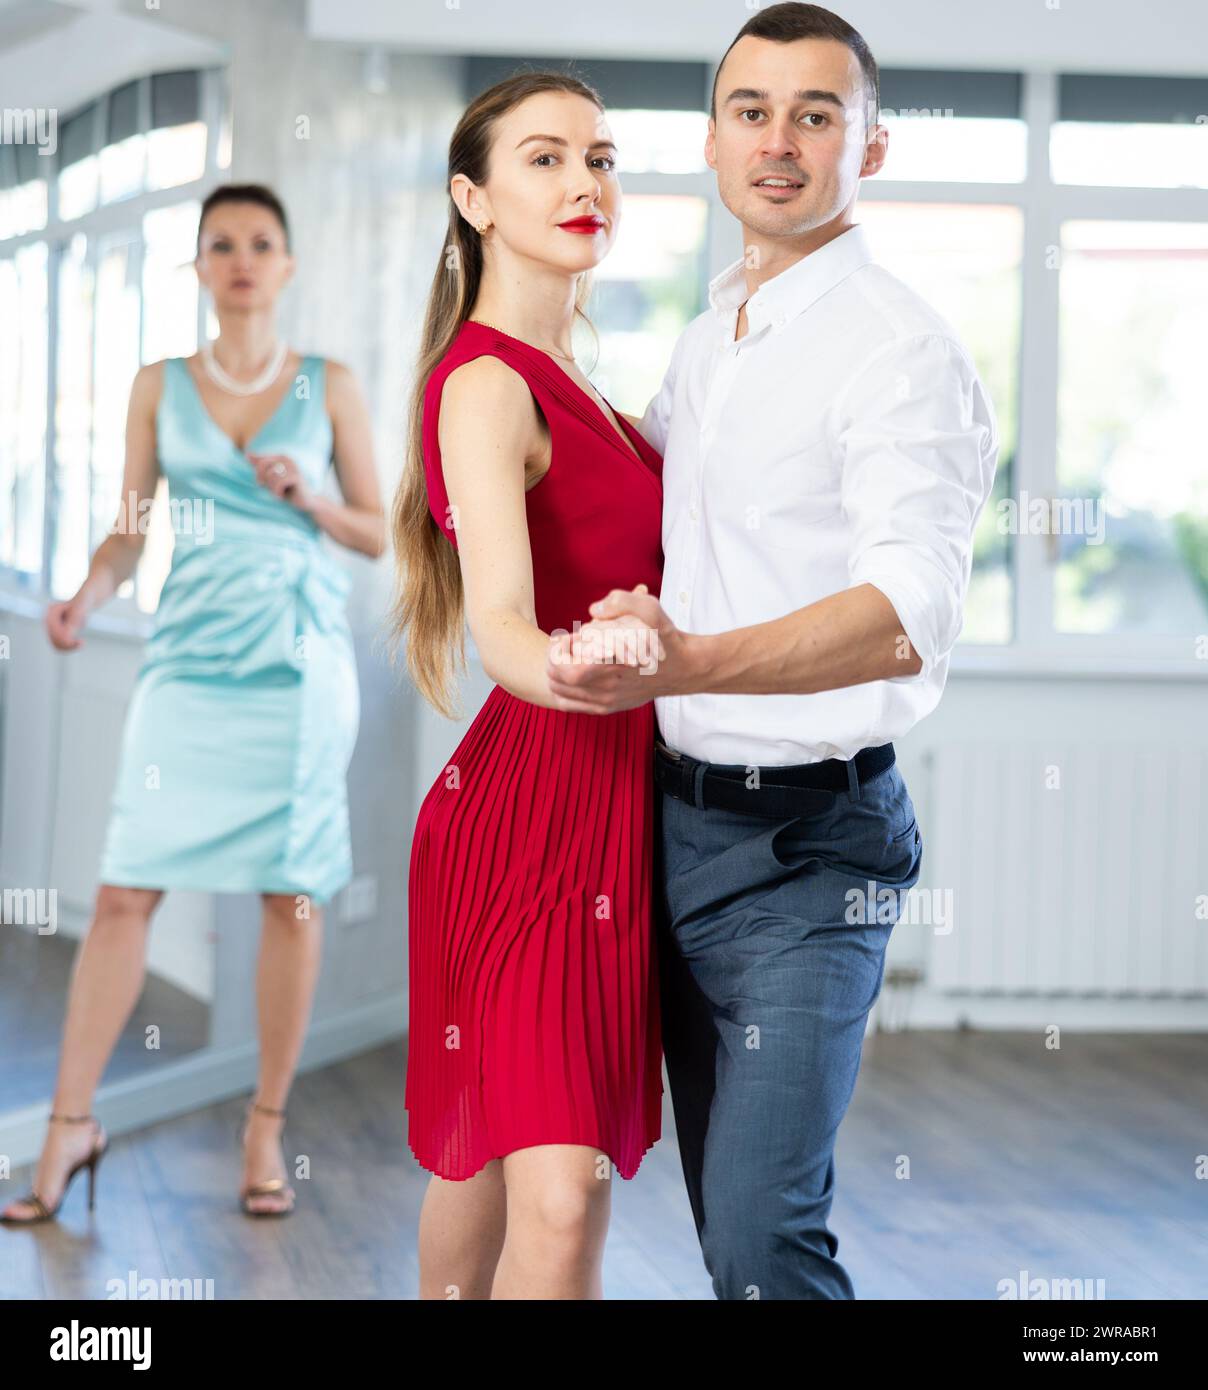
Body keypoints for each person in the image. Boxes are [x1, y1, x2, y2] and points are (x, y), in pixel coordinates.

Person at [548, 3, 999, 1299]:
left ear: (875, 145)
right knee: (711, 1219)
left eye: (818, 113)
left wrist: (680, 661)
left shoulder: (897, 349)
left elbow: (904, 608)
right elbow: (630, 506)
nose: (781, 140)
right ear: (711, 139)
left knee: (760, 1236)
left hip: (811, 854)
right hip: (667, 832)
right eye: (753, 111)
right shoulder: (713, 336)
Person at [1, 184, 385, 1226]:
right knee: (125, 888)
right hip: (189, 663)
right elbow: (130, 527)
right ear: (202, 267)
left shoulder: (330, 385)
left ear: (288, 263)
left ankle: (265, 1123)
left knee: (288, 895)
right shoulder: (156, 386)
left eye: (262, 241)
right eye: (222, 244)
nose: (243, 259)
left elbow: (379, 533)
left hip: (299, 669)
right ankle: (69, 1124)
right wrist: (85, 593)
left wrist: (307, 498)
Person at [388, 72, 664, 1300]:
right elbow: (500, 615)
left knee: (505, 1174)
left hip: (615, 804)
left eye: (598, 158)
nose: (582, 183)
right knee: (555, 1198)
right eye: (544, 159)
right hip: (527, 811)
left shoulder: (596, 391)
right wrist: (566, 669)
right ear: (474, 198)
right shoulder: (486, 381)